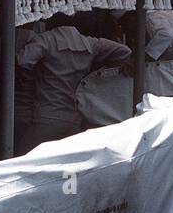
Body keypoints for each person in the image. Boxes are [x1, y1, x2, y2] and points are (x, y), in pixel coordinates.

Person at [16, 17, 132, 153]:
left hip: (47, 115)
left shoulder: (46, 40)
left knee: (23, 158)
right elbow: (125, 52)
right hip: (75, 117)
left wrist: (29, 79)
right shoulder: (90, 43)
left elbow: (23, 61)